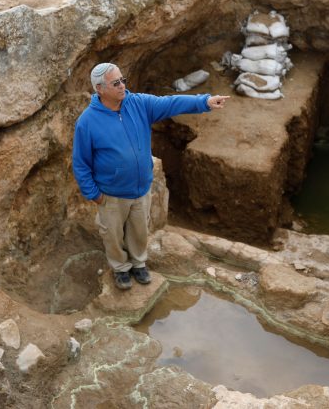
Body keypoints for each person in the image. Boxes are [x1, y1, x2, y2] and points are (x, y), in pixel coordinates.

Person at [72, 63, 229, 290]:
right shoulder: (87, 122)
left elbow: (170, 103)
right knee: (113, 235)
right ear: (100, 88)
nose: (123, 85)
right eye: (116, 83)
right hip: (111, 195)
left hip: (140, 189)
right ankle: (120, 268)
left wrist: (204, 102)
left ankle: (138, 263)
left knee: (139, 229)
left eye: (122, 79)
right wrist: (94, 195)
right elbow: (80, 163)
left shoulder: (138, 103)